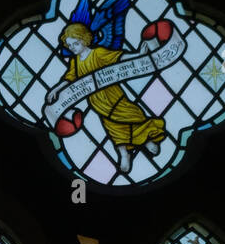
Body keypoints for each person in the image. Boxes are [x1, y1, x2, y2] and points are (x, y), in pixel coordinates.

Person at [52, 20, 166, 174]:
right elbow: (69, 78)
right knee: (113, 129)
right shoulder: (75, 62)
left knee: (134, 115)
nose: (72, 48)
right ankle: (123, 153)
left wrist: (138, 55)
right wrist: (57, 89)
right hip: (98, 103)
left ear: (84, 39)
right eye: (70, 45)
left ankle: (146, 139)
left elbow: (118, 57)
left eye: (75, 43)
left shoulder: (98, 53)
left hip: (114, 97)